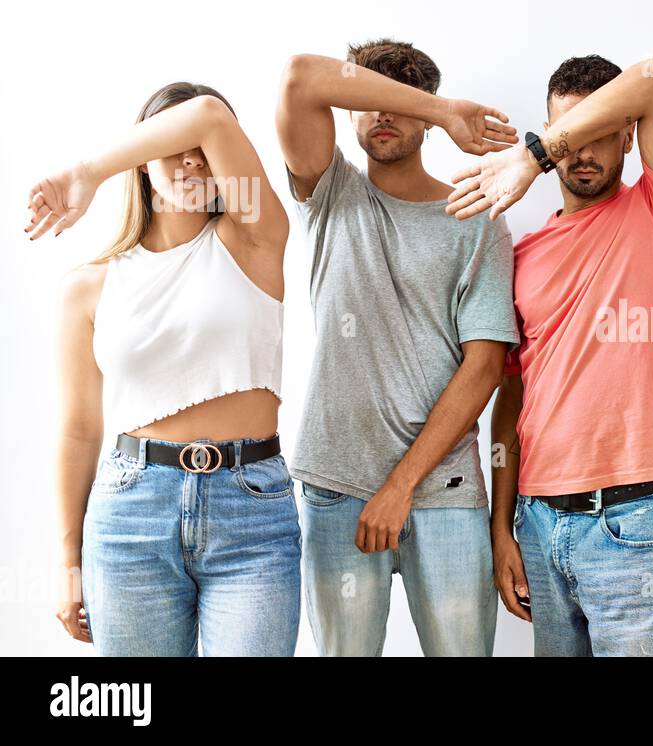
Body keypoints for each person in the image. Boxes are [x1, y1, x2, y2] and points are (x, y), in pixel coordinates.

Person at [447, 54, 653, 656]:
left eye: (597, 134)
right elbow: (511, 397)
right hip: (539, 522)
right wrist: (502, 529)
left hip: (636, 514)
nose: (581, 152)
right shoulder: (523, 253)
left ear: (628, 136)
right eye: (568, 134)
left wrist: (531, 155)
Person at [35, 82, 297, 655]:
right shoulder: (87, 288)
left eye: (203, 148)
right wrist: (67, 562)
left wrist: (88, 171)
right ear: (144, 164)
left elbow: (208, 116)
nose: (191, 158)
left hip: (250, 509)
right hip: (130, 512)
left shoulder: (254, 240)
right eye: (172, 146)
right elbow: (78, 430)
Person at [277, 39, 519, 656]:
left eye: (406, 101)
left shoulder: (476, 219)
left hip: (445, 489)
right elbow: (302, 77)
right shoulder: (330, 192)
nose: (384, 115)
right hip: (337, 486)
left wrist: (401, 485)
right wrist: (434, 108)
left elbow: (485, 365)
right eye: (373, 99)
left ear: (430, 114)